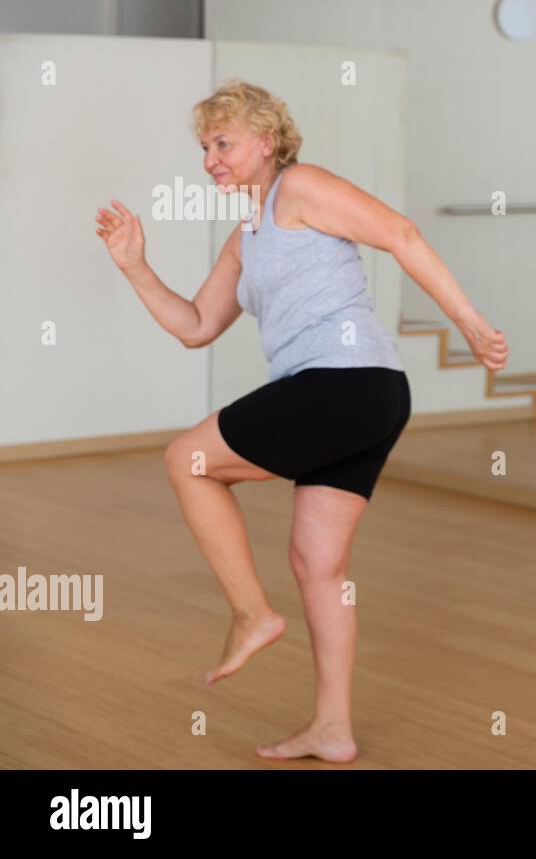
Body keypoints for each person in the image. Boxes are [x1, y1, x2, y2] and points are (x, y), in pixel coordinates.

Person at [95, 80, 508, 761]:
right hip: (360, 396)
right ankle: (332, 727)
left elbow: (399, 234)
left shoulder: (302, 186)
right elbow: (196, 325)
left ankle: (252, 614)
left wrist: (468, 322)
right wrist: (136, 267)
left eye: (223, 143)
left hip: (344, 384)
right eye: (204, 148)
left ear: (266, 139)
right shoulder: (246, 235)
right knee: (318, 563)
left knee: (187, 460)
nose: (211, 160)